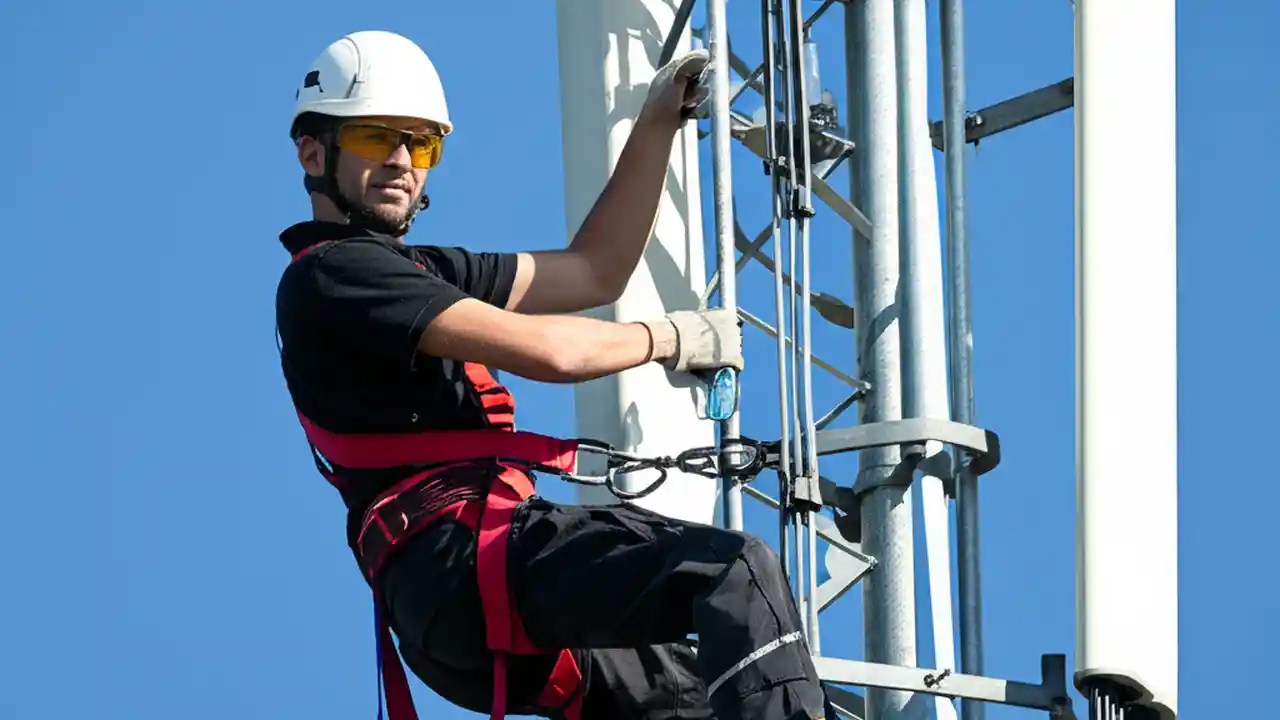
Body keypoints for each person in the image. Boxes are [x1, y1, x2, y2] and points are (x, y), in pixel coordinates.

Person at [275, 29, 830, 720]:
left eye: (420, 144)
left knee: (706, 698)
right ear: (312, 150)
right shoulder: (336, 274)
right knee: (735, 572)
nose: (399, 160)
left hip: (463, 590)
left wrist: (658, 118)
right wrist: (666, 337)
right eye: (374, 137)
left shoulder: (421, 272)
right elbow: (549, 353)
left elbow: (595, 269)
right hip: (459, 563)